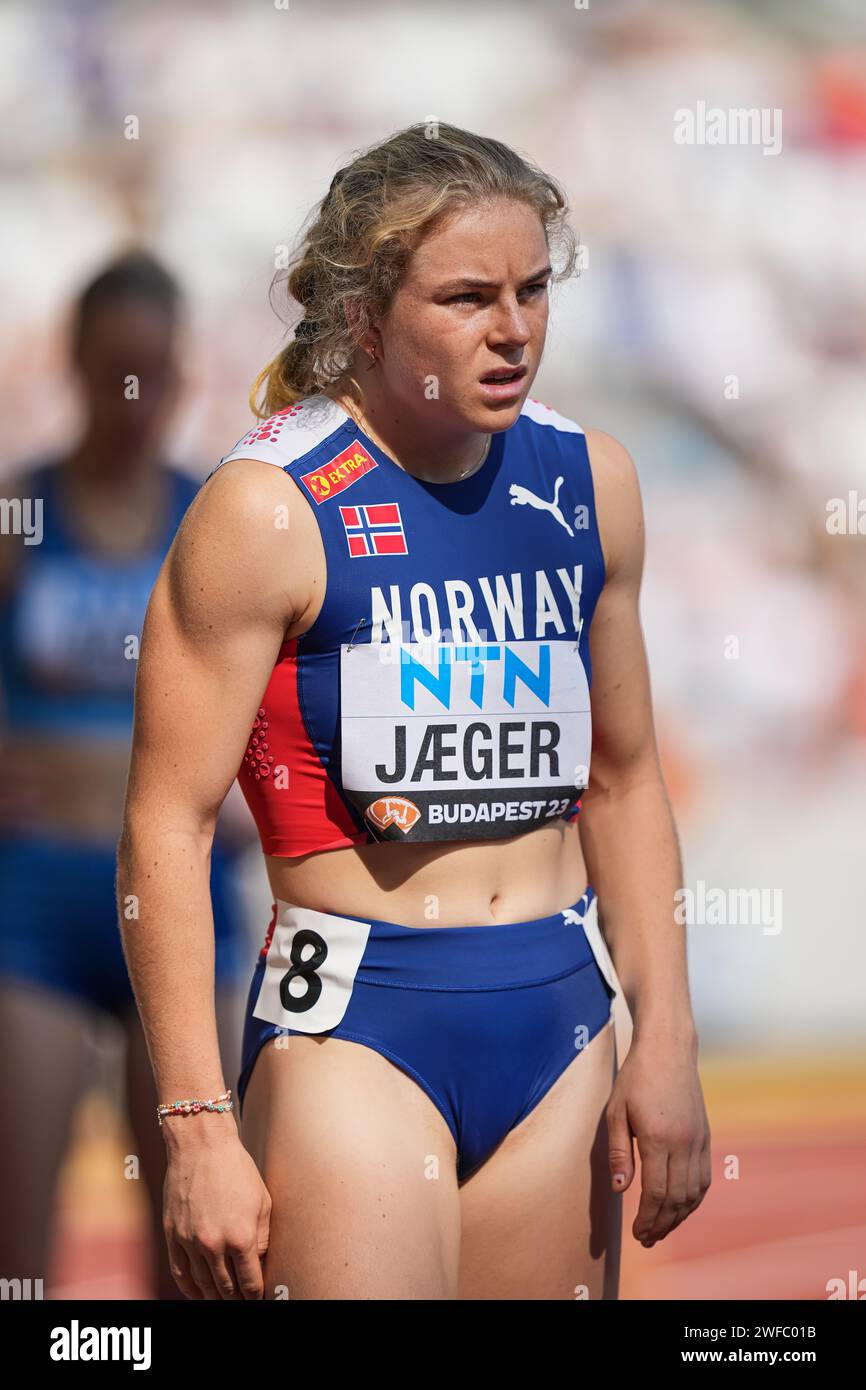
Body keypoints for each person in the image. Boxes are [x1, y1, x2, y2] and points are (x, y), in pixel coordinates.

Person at [118, 123, 711, 1302]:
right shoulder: (268, 510)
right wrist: (193, 1127)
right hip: (357, 1028)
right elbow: (163, 828)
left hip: (560, 1020)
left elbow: (626, 777)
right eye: (467, 297)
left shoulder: (590, 482)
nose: (513, 330)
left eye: (533, 290)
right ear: (364, 312)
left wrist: (669, 1039)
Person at [0, 251, 251, 1300]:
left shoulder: (220, 519)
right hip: (38, 903)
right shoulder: (20, 517)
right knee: (19, 1250)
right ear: (75, 366)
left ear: (184, 376)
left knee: (204, 1246)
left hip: (186, 903)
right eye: (115, 370)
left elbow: (274, 699)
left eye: (155, 371)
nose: (134, 397)